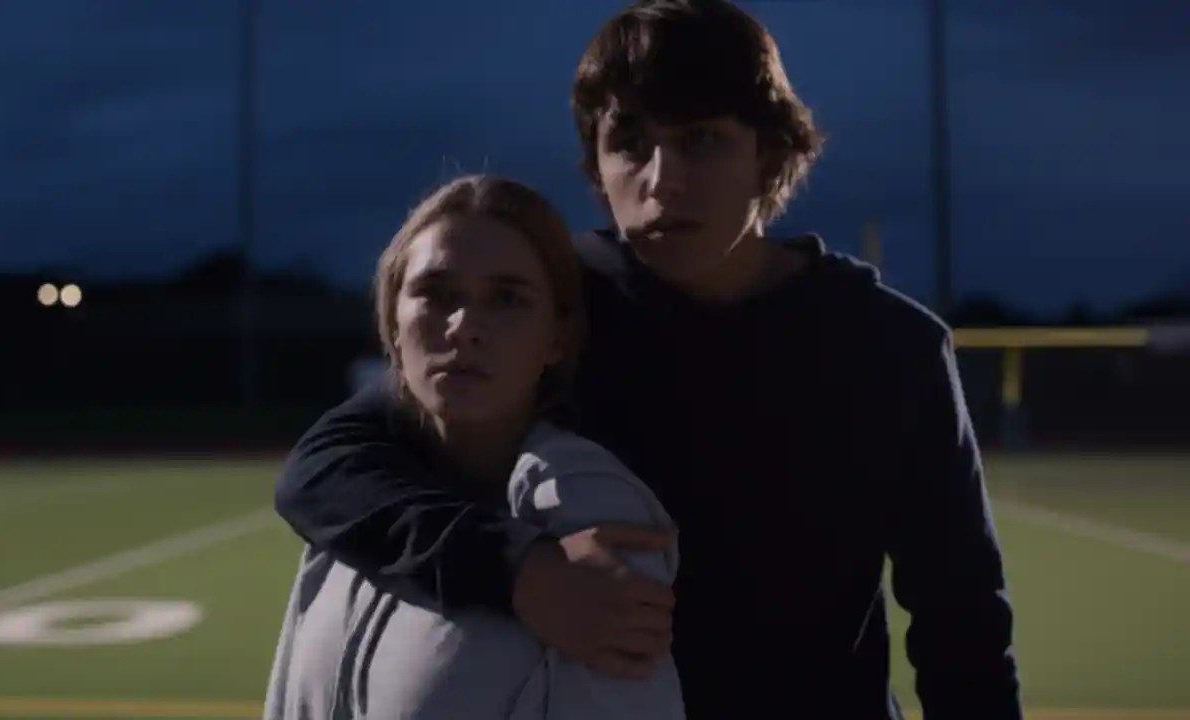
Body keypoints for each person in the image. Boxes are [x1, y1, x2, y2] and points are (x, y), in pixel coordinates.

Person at [274, 1, 1023, 717]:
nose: (663, 180)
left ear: (768, 154)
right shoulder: (556, 307)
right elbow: (325, 468)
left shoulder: (888, 346)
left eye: (701, 138)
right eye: (630, 141)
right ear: (597, 165)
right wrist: (518, 568)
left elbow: (963, 623)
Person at [264, 174, 686, 719]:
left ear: (557, 335)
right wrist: (513, 568)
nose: (464, 327)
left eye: (507, 299)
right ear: (393, 322)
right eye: (436, 295)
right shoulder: (353, 512)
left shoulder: (593, 515)